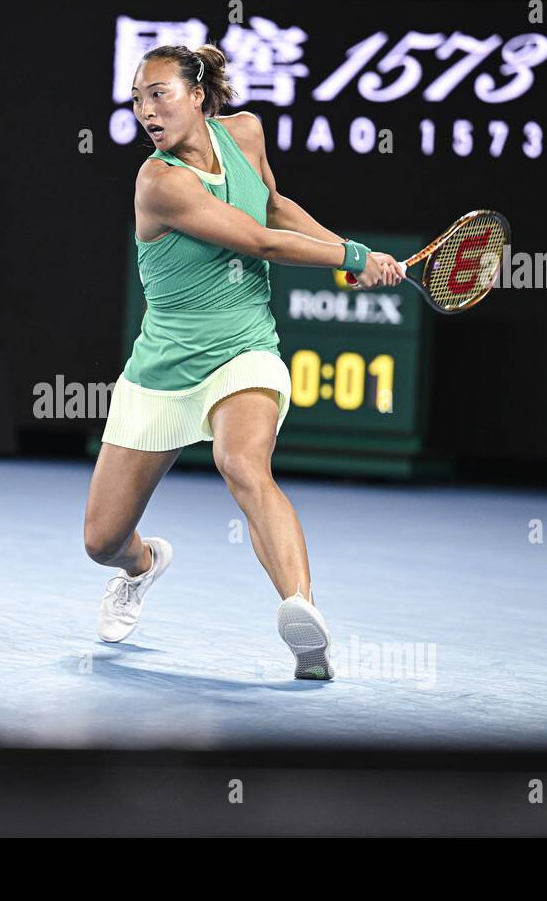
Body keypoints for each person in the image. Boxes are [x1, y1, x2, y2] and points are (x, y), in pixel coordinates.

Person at [83, 43, 403, 680]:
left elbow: (274, 207)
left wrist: (344, 250)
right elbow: (257, 239)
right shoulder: (159, 180)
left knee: (242, 464)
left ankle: (302, 615)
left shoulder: (247, 133)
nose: (146, 110)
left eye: (160, 94)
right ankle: (141, 567)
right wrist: (352, 257)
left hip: (245, 347)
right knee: (101, 541)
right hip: (164, 366)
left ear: (199, 95)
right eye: (138, 98)